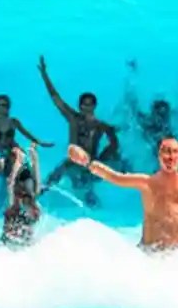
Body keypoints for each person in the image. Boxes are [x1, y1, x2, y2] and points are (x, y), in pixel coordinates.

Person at [37, 56, 119, 202]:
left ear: (95, 106)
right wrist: (44, 75)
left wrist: (104, 157)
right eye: (84, 105)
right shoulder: (73, 118)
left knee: (88, 188)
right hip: (72, 162)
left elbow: (114, 143)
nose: (86, 108)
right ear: (79, 106)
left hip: (90, 164)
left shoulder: (101, 126)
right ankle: (41, 191)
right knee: (58, 172)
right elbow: (56, 99)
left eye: (90, 105)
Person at [1, 144, 42, 249]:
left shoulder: (32, 204)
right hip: (10, 245)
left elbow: (36, 179)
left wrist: (33, 156)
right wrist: (18, 162)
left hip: (19, 247)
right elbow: (11, 183)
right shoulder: (14, 203)